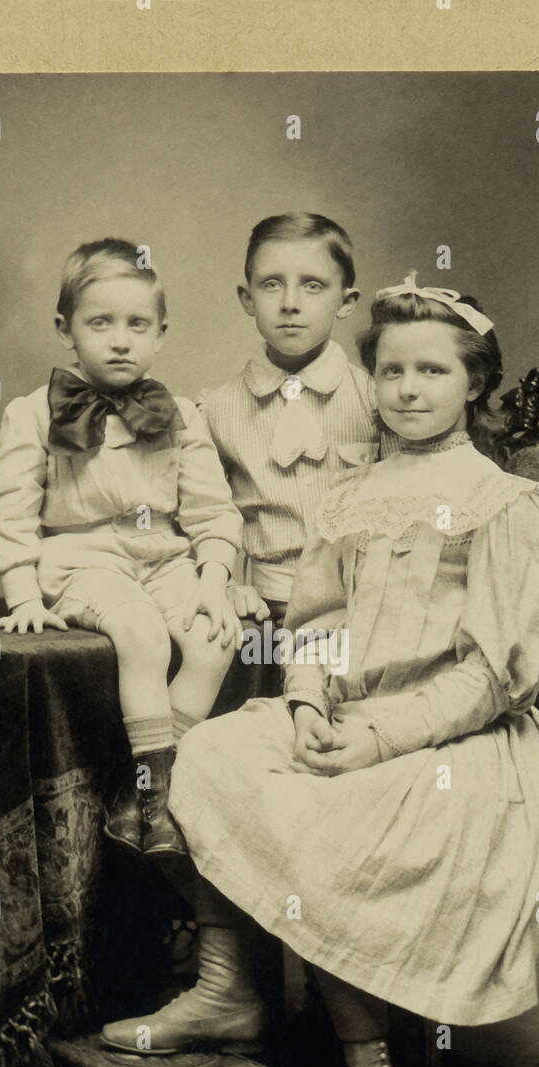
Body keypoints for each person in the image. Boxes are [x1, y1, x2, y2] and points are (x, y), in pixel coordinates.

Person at [102, 272, 539, 1067]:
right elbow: (315, 626)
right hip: (345, 719)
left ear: (474, 382)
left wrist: (379, 738)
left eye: (432, 372)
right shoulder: (349, 494)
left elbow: (494, 674)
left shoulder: (502, 501)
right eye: (392, 371)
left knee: (334, 821)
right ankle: (227, 987)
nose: (408, 390)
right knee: (210, 755)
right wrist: (309, 705)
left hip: (458, 741)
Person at [0, 238, 243, 859]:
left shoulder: (178, 413)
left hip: (166, 560)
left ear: (160, 333)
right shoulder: (32, 413)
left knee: (215, 638)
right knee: (141, 634)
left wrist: (213, 580)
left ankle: (143, 791)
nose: (120, 340)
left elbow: (212, 510)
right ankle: (157, 794)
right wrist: (22, 592)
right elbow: (9, 510)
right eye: (100, 323)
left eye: (137, 325)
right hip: (83, 560)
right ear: (65, 329)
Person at [200, 212, 387, 705]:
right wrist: (220, 587)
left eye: (312, 286)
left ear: (346, 302)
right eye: (270, 285)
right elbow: (196, 515)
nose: (289, 304)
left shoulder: (377, 401)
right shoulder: (214, 410)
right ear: (247, 298)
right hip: (264, 615)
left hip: (360, 612)